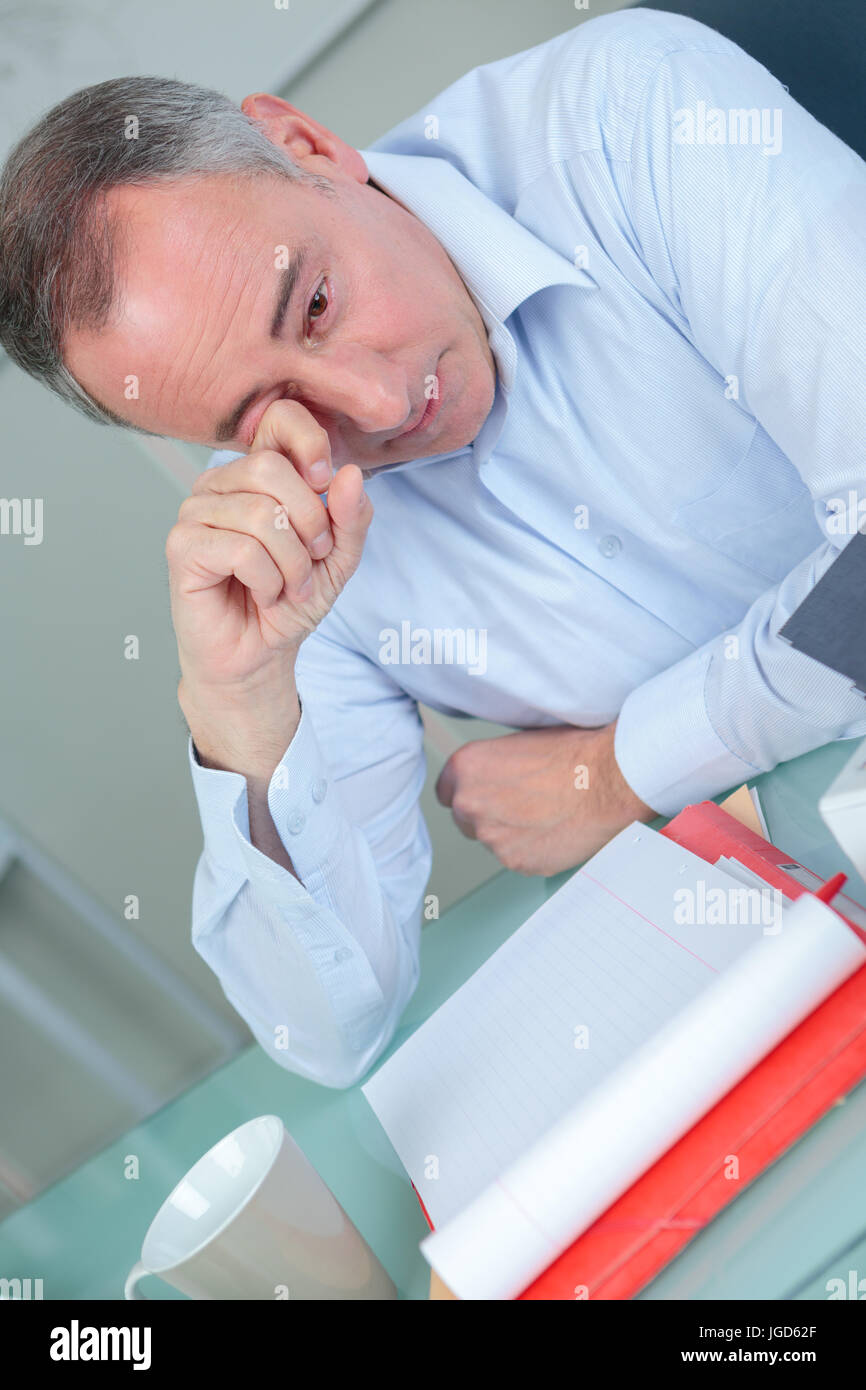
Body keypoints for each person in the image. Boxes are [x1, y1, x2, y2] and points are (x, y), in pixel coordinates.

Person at [1, 9, 864, 1086]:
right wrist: (239, 713)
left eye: (314, 303)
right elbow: (331, 1033)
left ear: (306, 146)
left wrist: (617, 769)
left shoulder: (625, 112)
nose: (375, 402)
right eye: (258, 411)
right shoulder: (285, 538)